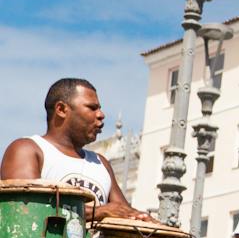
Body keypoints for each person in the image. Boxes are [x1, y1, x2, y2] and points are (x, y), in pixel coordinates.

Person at [1, 77, 148, 217]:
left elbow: (123, 212)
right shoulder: (28, 149)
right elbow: (27, 208)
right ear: (61, 109)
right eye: (92, 108)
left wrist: (144, 218)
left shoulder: (101, 163)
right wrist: (99, 212)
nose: (101, 115)